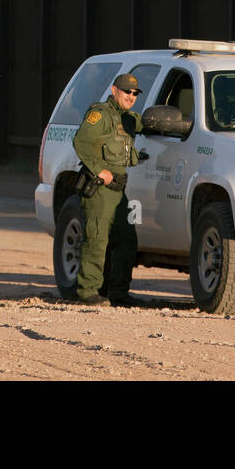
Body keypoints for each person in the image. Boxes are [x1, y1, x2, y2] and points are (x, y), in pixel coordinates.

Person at [71, 73, 146, 307]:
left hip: (118, 191)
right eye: (126, 91)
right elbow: (81, 142)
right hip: (100, 189)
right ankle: (87, 291)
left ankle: (118, 292)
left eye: (135, 93)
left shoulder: (129, 119)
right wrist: (99, 170)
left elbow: (151, 124)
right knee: (97, 239)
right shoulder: (101, 114)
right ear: (114, 90)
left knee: (125, 239)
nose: (131, 96)